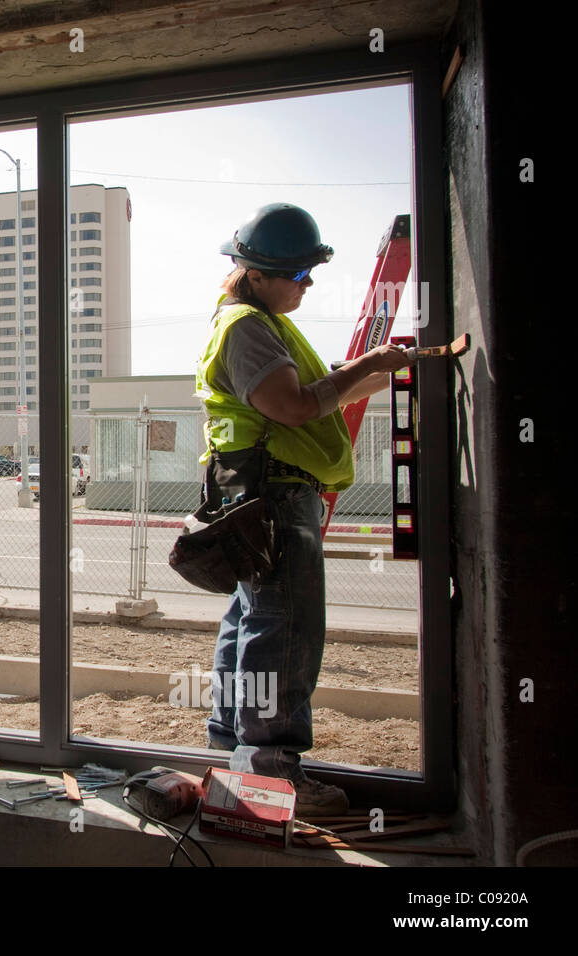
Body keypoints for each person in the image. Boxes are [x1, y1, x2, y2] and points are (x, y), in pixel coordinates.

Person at [195, 202, 412, 813]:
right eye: (297, 274)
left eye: (310, 273)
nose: (307, 284)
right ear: (256, 273)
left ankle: (237, 755)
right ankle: (270, 775)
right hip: (274, 494)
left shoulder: (263, 323)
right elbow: (291, 407)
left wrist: (379, 371)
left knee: (252, 622)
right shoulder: (245, 326)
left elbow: (316, 394)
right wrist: (366, 367)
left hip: (264, 493)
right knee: (282, 631)